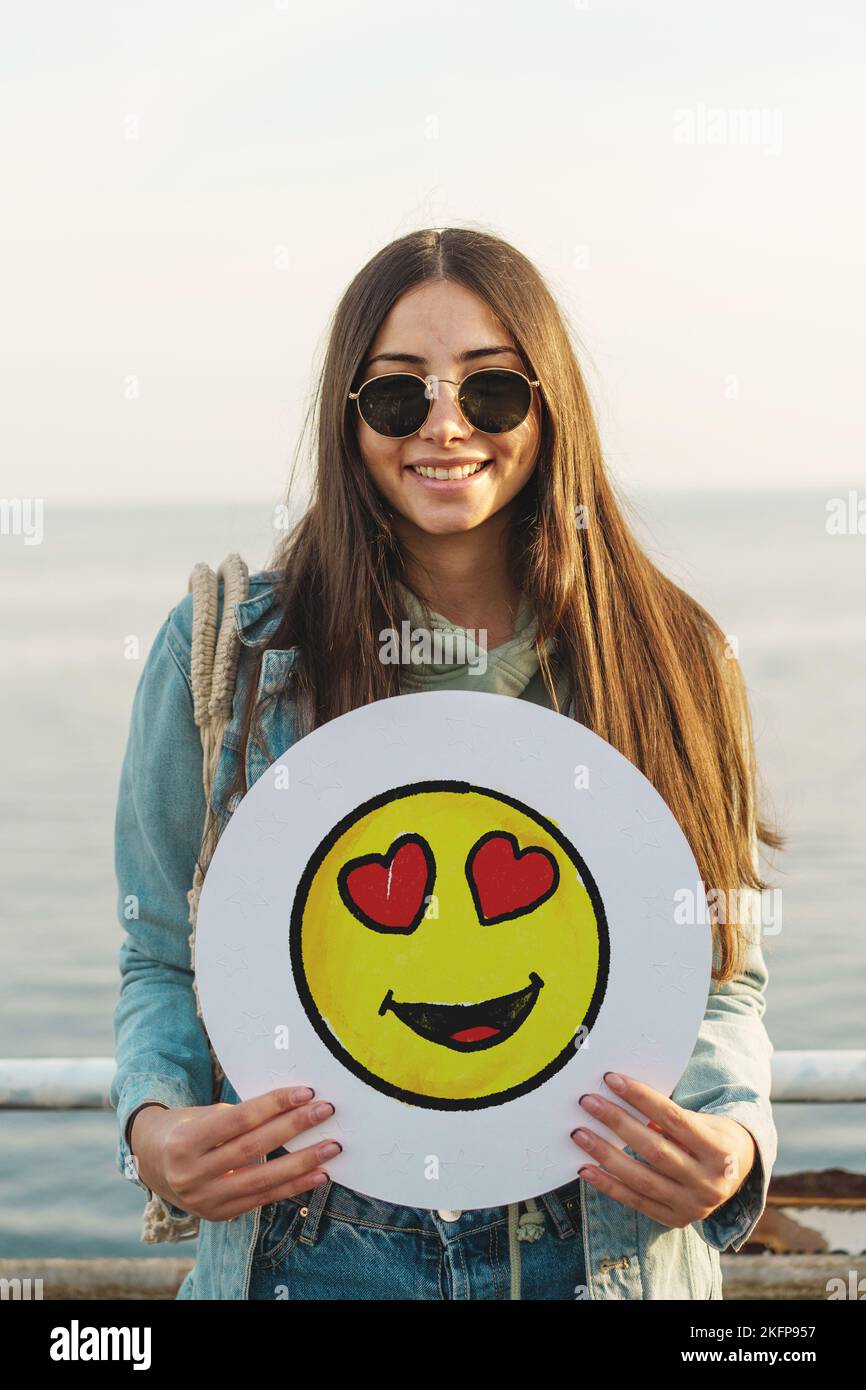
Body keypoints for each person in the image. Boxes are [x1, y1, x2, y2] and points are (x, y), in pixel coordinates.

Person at [111, 227, 779, 1300]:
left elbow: (721, 971)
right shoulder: (232, 655)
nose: (444, 424)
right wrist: (152, 1127)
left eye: (490, 390)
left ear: (546, 403)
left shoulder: (672, 657)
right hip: (310, 1249)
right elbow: (157, 952)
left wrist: (730, 1143)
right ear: (348, 418)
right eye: (395, 395)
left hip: (595, 1250)